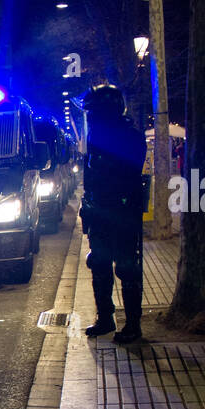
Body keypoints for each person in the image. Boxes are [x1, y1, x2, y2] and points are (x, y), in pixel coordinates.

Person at [79, 84, 146, 343]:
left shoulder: (128, 136)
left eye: (95, 112)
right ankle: (105, 318)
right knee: (99, 265)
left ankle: (132, 324)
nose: (91, 117)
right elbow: (92, 175)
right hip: (99, 211)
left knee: (127, 268)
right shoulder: (96, 136)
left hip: (122, 211)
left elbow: (125, 173)